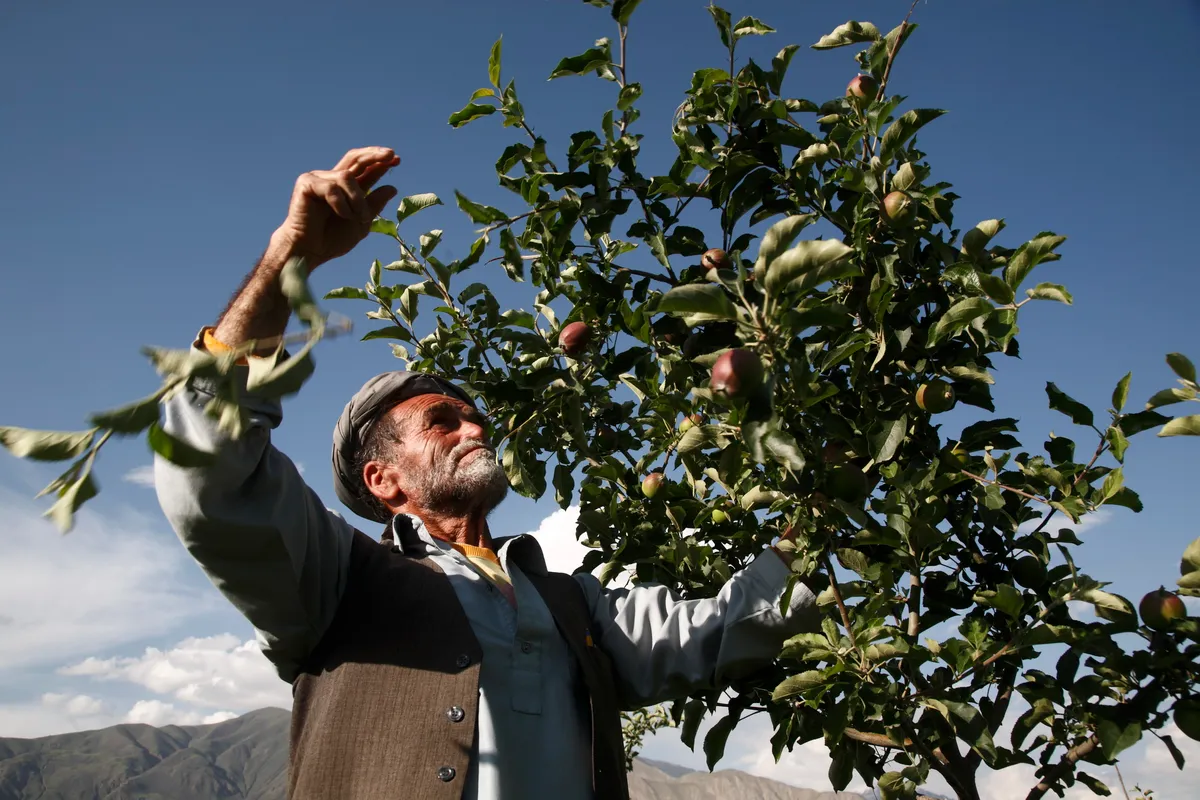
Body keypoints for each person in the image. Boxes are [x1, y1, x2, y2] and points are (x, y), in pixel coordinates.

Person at [154, 146, 820, 800]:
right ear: (383, 479)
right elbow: (210, 471)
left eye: (475, 418)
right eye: (442, 421)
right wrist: (288, 258)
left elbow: (722, 629)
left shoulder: (571, 602)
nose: (475, 430)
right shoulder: (337, 579)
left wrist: (819, 520)